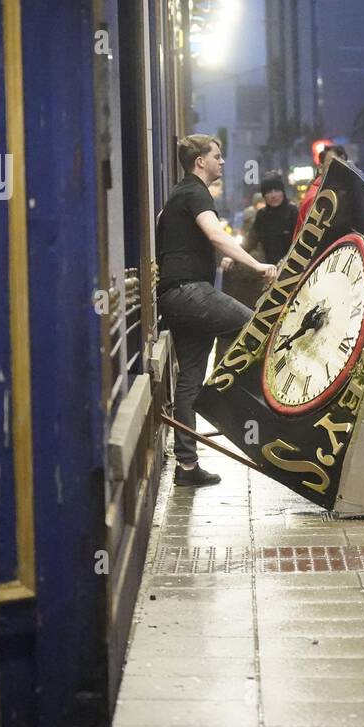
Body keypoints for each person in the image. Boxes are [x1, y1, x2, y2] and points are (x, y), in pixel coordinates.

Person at [157, 134, 278, 487]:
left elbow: (181, 236)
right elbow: (215, 234)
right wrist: (256, 266)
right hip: (191, 293)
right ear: (200, 162)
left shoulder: (179, 194)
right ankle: (253, 414)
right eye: (218, 156)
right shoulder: (195, 192)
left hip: (175, 297)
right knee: (257, 330)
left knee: (191, 379)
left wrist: (218, 257)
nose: (222, 162)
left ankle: (187, 467)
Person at [295, 144, 348, 234]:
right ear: (320, 167)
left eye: (343, 164)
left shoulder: (342, 193)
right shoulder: (315, 198)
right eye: (333, 164)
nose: (339, 169)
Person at [250, 171, 298, 263]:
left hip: (294, 266)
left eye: (277, 190)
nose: (273, 195)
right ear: (264, 196)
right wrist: (232, 257)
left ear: (283, 192)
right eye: (268, 192)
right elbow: (250, 241)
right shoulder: (262, 215)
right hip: (271, 269)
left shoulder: (293, 212)